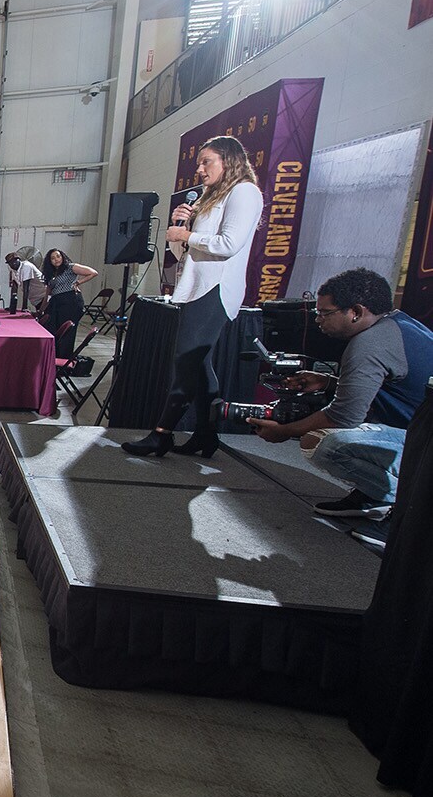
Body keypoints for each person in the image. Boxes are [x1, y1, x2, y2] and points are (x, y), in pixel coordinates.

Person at [247, 268, 433, 522]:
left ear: (356, 312)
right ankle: (378, 494)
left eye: (325, 313)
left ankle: (402, 505)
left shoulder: (369, 344)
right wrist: (328, 382)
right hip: (421, 436)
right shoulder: (400, 323)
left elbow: (343, 417)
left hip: (424, 448)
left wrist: (283, 431)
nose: (317, 319)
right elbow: (395, 392)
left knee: (322, 441)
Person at [124, 135, 265, 458]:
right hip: (195, 287)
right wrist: (180, 229)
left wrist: (187, 234)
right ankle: (205, 433)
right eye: (199, 163)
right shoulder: (209, 197)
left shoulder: (244, 192)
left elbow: (229, 244)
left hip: (216, 289)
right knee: (200, 366)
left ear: (228, 161)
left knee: (185, 362)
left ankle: (162, 434)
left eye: (207, 162)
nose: (199, 169)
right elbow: (182, 252)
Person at [40, 249, 98, 359]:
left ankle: (64, 359)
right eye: (53, 258)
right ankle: (53, 356)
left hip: (71, 301)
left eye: (58, 256)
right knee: (53, 328)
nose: (56, 259)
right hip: (56, 302)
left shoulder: (70, 267)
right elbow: (48, 293)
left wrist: (78, 282)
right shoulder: (51, 273)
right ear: (49, 261)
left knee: (67, 331)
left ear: (62, 257)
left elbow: (93, 272)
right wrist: (41, 309)